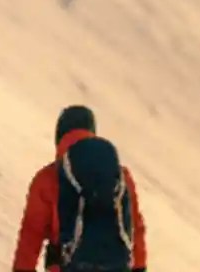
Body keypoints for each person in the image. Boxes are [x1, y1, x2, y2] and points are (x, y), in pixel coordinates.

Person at [11, 105, 148, 272]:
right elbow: (135, 227)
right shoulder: (120, 175)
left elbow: (31, 234)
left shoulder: (48, 178)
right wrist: (139, 268)